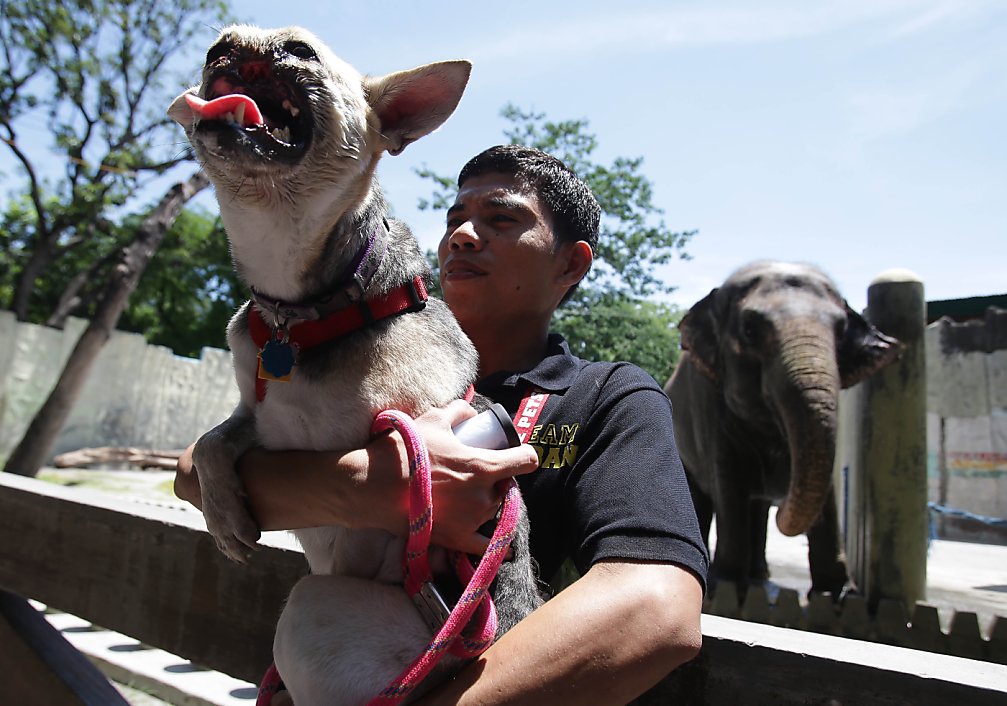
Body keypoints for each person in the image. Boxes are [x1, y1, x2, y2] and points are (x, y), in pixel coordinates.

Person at [175, 144, 708, 705]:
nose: (462, 235)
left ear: (571, 264)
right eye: (456, 219)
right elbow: (194, 475)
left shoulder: (606, 398)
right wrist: (373, 488)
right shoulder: (350, 352)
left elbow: (657, 606)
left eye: (502, 219)